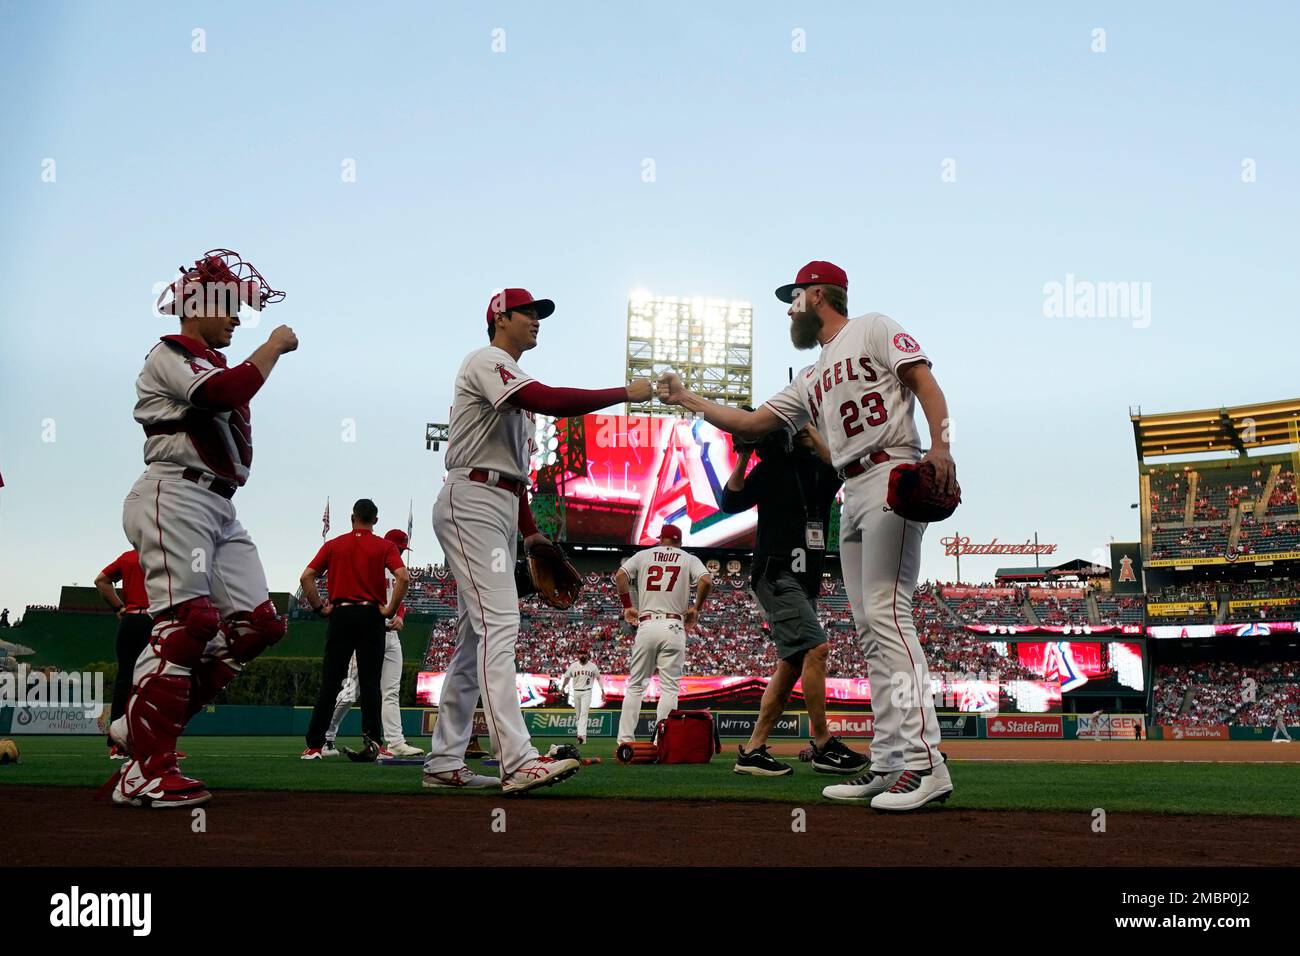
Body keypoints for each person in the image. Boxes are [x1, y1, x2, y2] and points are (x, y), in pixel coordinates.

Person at [658, 260, 958, 812]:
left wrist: (940, 447)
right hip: (853, 487)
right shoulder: (812, 374)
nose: (788, 310)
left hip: (893, 469)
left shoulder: (871, 326)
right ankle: (890, 764)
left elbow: (924, 382)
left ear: (817, 294)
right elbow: (750, 425)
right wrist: (687, 400)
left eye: (792, 298)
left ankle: (925, 764)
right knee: (870, 629)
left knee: (891, 618)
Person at [423, 287, 652, 793]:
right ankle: (517, 760)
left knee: (470, 644)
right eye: (528, 312)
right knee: (500, 625)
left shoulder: (513, 387)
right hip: (472, 499)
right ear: (499, 317)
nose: (536, 320)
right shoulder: (486, 360)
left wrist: (530, 535)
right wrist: (624, 393)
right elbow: (548, 400)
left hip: (498, 504)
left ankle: (444, 761)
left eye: (538, 314)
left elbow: (515, 477)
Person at [110, 248, 295, 809]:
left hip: (217, 505)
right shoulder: (171, 351)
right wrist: (273, 348)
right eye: (230, 306)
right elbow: (221, 394)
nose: (239, 317)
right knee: (187, 623)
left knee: (258, 626)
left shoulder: (209, 358)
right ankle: (145, 770)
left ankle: (136, 731)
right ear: (196, 305)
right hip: (175, 489)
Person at [718, 423, 867, 777]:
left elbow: (842, 467)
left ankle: (753, 750)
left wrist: (814, 435)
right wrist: (742, 457)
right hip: (777, 574)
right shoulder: (772, 470)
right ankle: (822, 743)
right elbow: (729, 501)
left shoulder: (814, 470)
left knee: (791, 665)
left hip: (802, 580)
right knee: (817, 649)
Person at [299, 500, 409, 760]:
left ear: (352, 517)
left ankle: (315, 746)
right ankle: (373, 742)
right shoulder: (384, 546)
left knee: (331, 681)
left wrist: (319, 608)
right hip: (371, 615)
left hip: (341, 613)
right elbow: (403, 577)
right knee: (371, 684)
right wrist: (390, 610)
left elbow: (306, 577)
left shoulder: (334, 544)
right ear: (376, 520)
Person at [323, 529, 424, 757]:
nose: (399, 552)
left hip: (390, 635)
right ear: (388, 545)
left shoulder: (398, 570)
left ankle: (395, 742)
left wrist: (399, 616)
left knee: (390, 691)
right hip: (367, 632)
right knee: (351, 691)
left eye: (401, 550)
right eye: (398, 548)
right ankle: (326, 736)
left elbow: (399, 602)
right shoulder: (372, 562)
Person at [614, 525, 711, 744]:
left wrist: (628, 606)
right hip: (674, 625)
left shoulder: (643, 555)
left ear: (661, 539)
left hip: (647, 624)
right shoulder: (688, 558)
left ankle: (625, 741)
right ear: (680, 541)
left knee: (636, 685)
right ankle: (661, 742)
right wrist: (696, 608)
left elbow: (620, 576)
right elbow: (706, 580)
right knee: (669, 688)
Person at [93, 549, 153, 759]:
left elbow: (101, 581)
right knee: (157, 682)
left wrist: (119, 608)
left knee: (125, 680)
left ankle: (117, 744)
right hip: (157, 621)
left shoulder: (128, 557)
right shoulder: (167, 553)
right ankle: (156, 745)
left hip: (131, 622)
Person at [558, 647, 604, 744]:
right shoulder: (573, 666)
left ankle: (580, 735)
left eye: (584, 653)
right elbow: (567, 677)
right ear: (578, 655)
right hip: (576, 691)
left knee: (583, 714)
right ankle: (582, 738)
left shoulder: (592, 666)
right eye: (580, 653)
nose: (582, 655)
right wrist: (562, 687)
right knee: (578, 715)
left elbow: (599, 678)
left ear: (587, 655)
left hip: (587, 691)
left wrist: (603, 691)